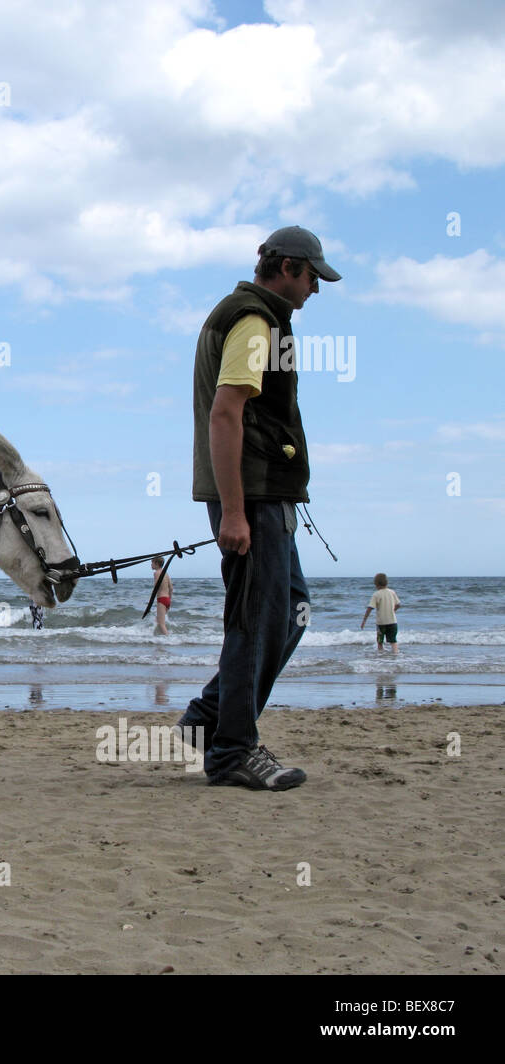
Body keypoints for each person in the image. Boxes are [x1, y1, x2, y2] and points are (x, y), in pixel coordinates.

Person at [176, 226, 341, 791]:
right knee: (254, 619)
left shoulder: (258, 317)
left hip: (265, 495)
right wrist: (234, 512)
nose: (316, 289)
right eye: (314, 276)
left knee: (291, 610)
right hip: (253, 497)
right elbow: (226, 414)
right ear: (289, 267)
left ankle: (208, 720)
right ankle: (232, 751)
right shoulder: (254, 320)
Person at [361, 572, 401, 654]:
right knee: (393, 641)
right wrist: (392, 611)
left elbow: (370, 608)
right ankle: (396, 655)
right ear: (386, 582)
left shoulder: (376, 594)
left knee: (380, 641)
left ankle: (380, 656)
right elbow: (398, 604)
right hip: (393, 622)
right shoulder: (392, 592)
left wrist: (364, 620)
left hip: (381, 623)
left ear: (376, 584)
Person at [150, 556, 173, 635]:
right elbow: (171, 588)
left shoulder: (156, 573)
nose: (151, 565)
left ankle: (169, 639)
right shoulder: (166, 573)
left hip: (161, 599)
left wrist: (152, 598)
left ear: (156, 563)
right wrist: (169, 600)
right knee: (157, 620)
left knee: (161, 624)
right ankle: (159, 640)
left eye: (152, 563)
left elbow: (156, 586)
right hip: (167, 599)